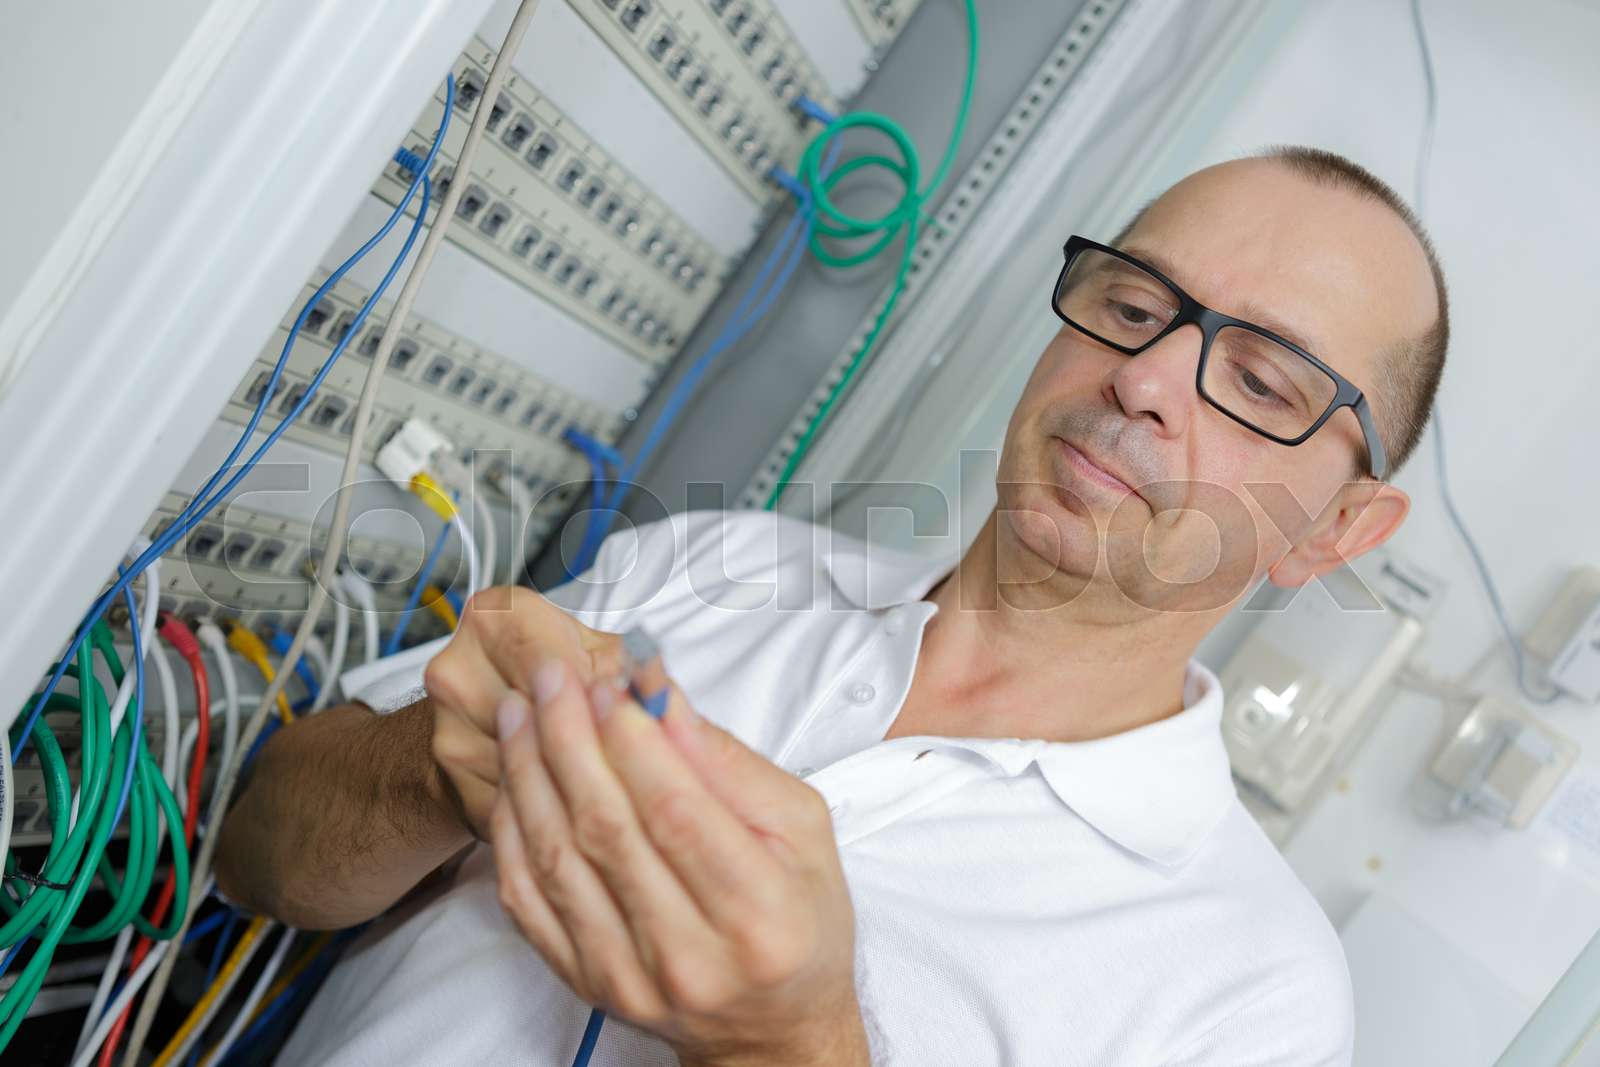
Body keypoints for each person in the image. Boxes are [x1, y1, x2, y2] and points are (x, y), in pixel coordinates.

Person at [215, 144, 1448, 1066]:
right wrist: (438, 768)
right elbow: (258, 851)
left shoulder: (1253, 994)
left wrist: (785, 1039)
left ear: (1336, 531)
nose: (1140, 377)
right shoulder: (715, 563)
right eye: (1131, 306)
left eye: (1259, 379)